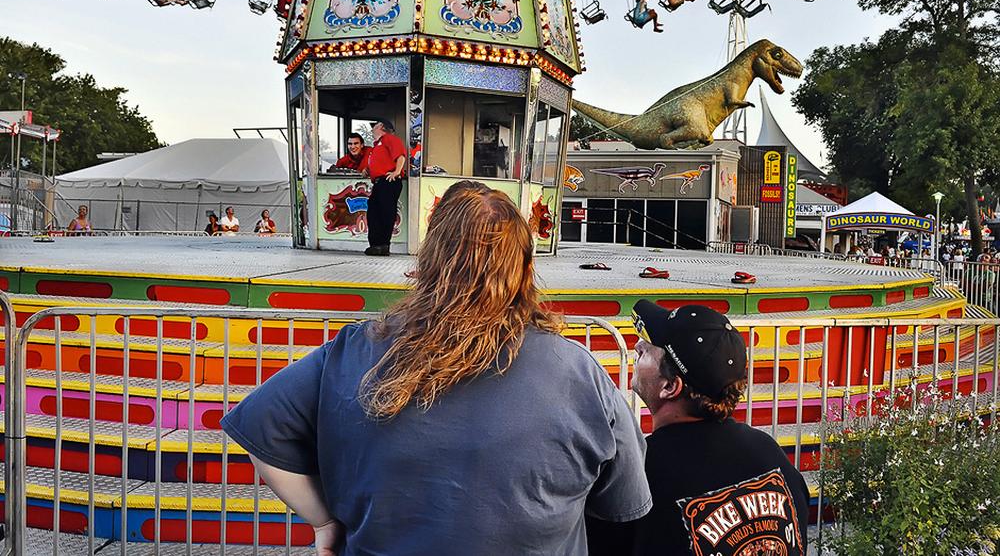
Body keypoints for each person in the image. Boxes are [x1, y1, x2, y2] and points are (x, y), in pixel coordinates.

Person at [220, 183, 651, 556]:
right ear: (524, 269)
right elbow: (624, 503)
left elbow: (259, 425)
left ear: (430, 260)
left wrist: (324, 522)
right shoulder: (578, 373)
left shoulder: (353, 351)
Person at [588, 301, 810, 556]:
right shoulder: (769, 452)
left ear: (670, 386)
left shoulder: (639, 472)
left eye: (649, 348)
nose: (638, 346)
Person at [363, 119, 405, 256]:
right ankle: (376, 244)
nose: (372, 129)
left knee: (385, 212)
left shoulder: (389, 139)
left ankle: (383, 244)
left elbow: (400, 156)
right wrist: (368, 170)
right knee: (374, 212)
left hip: (388, 180)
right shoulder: (376, 145)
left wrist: (396, 172)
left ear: (381, 126)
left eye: (374, 126)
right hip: (379, 182)